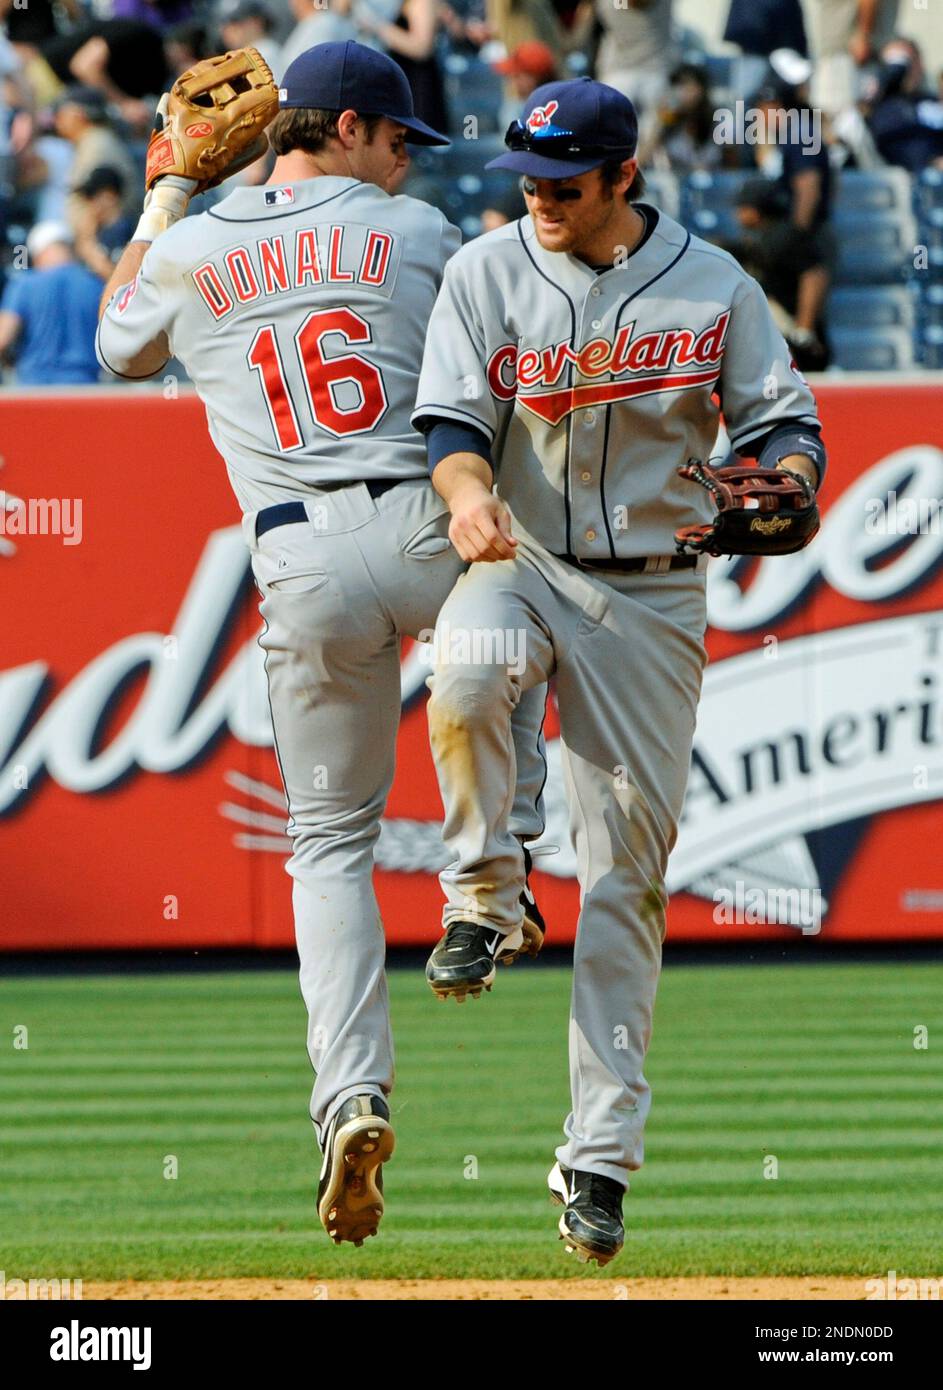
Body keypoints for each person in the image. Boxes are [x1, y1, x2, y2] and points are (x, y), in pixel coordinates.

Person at [95, 39, 548, 1249]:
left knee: (326, 845)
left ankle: (349, 1093)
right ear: (344, 127)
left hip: (294, 558)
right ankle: (489, 879)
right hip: (421, 519)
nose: (408, 157)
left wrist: (166, 195)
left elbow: (115, 346)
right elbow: (510, 370)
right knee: (528, 611)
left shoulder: (190, 250)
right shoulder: (418, 232)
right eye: (398, 135)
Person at [411, 76, 826, 1266]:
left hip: (652, 586)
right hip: (525, 555)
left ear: (624, 178)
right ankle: (486, 895)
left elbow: (781, 420)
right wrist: (466, 491)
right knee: (471, 668)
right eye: (528, 179)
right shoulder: (488, 271)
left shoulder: (713, 283)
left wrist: (788, 476)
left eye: (565, 182)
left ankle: (595, 1158)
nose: (539, 198)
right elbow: (447, 426)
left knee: (628, 881)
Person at [0, 221, 102, 384]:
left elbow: (3, 339)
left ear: (37, 254)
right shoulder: (96, 285)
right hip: (84, 388)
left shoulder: (24, 285)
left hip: (33, 389)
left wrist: (8, 362)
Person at [868, 37, 943, 174]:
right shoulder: (883, 109)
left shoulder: (933, 101)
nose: (904, 72)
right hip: (914, 178)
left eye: (909, 62)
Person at [71, 167, 138, 279]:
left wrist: (89, 250)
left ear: (110, 196)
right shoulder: (94, 230)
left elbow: (124, 283)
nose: (87, 203)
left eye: (90, 196)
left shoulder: (130, 231)